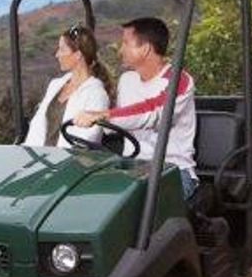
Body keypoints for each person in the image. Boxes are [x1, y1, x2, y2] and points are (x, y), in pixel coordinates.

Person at [74, 17, 198, 199]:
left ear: (145, 48)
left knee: (131, 206)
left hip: (173, 170)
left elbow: (152, 112)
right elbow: (119, 122)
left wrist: (102, 115)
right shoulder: (127, 80)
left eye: (126, 43)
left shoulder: (178, 80)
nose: (120, 50)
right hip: (131, 168)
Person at [24, 24, 111, 148]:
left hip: (70, 159)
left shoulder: (96, 94)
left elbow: (87, 140)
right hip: (41, 156)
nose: (57, 54)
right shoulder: (55, 85)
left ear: (78, 55)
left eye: (62, 49)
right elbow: (37, 128)